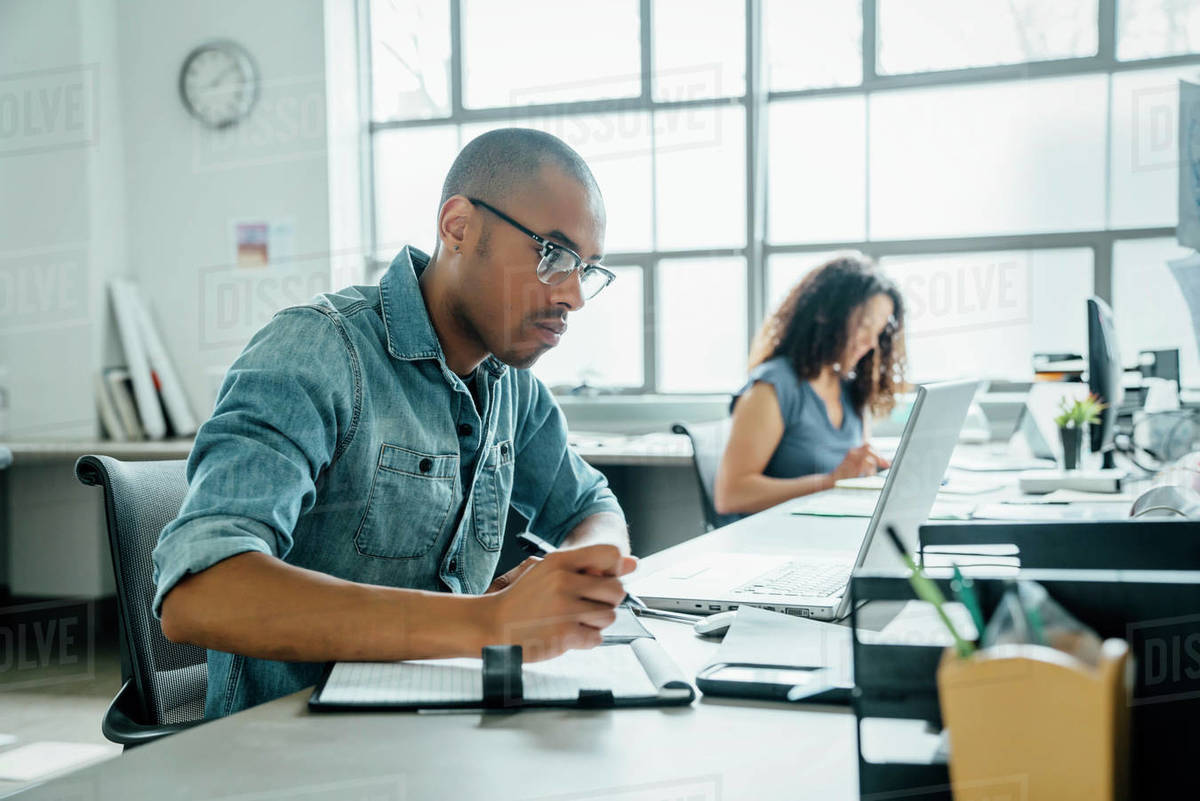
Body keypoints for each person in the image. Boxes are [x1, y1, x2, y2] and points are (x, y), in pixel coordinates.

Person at [153, 129, 636, 718]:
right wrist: (488, 622)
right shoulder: (318, 351)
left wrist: (585, 571)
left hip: (442, 731)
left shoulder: (513, 388)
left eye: (586, 270)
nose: (574, 297)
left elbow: (591, 503)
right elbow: (199, 595)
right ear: (459, 227)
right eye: (553, 255)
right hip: (296, 757)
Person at [713, 253, 906, 518]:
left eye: (879, 332)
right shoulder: (772, 388)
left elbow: (850, 473)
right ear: (827, 316)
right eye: (864, 327)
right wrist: (831, 480)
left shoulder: (850, 390)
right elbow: (730, 496)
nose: (871, 343)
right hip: (777, 543)